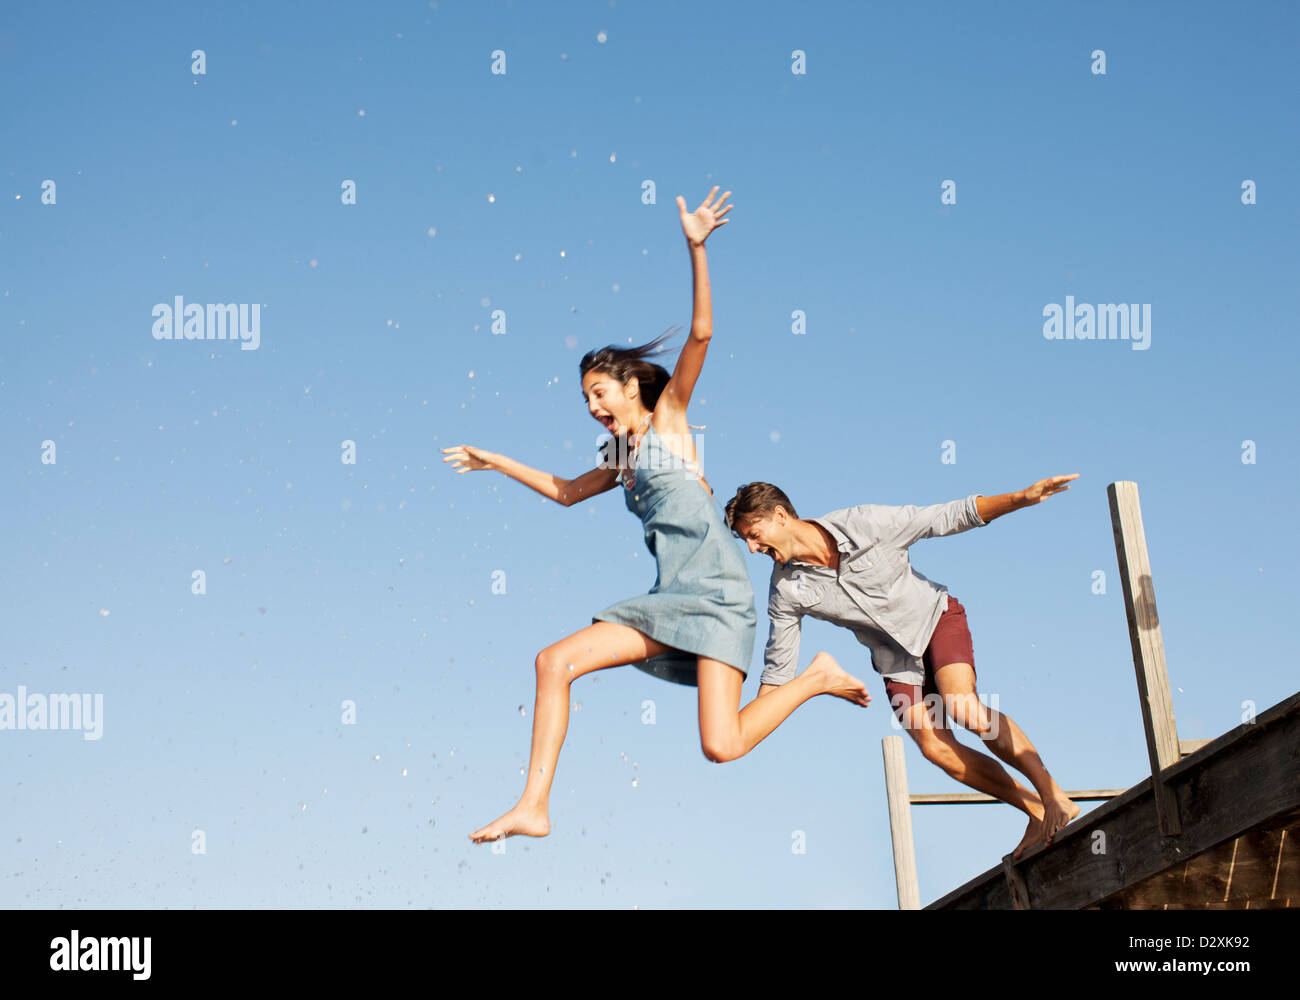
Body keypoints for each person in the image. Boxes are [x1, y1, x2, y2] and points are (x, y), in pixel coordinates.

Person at [443, 188, 869, 843]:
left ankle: (814, 679)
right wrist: (496, 460)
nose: (593, 407)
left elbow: (701, 334)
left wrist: (696, 246)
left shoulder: (669, 418)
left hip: (719, 592)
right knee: (553, 662)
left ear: (630, 386)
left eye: (599, 393)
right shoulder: (620, 453)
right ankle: (533, 806)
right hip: (671, 596)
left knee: (722, 745)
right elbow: (566, 492)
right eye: (585, 399)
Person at [724, 477, 1081, 858]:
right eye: (747, 541)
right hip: (895, 661)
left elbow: (943, 517)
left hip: (936, 619)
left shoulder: (864, 524)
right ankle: (1035, 810)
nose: (753, 548)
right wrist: (742, 728)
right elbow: (778, 673)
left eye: (754, 535)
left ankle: (1052, 795)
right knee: (936, 749)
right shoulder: (785, 590)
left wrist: (1020, 498)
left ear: (780, 516)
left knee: (962, 706)